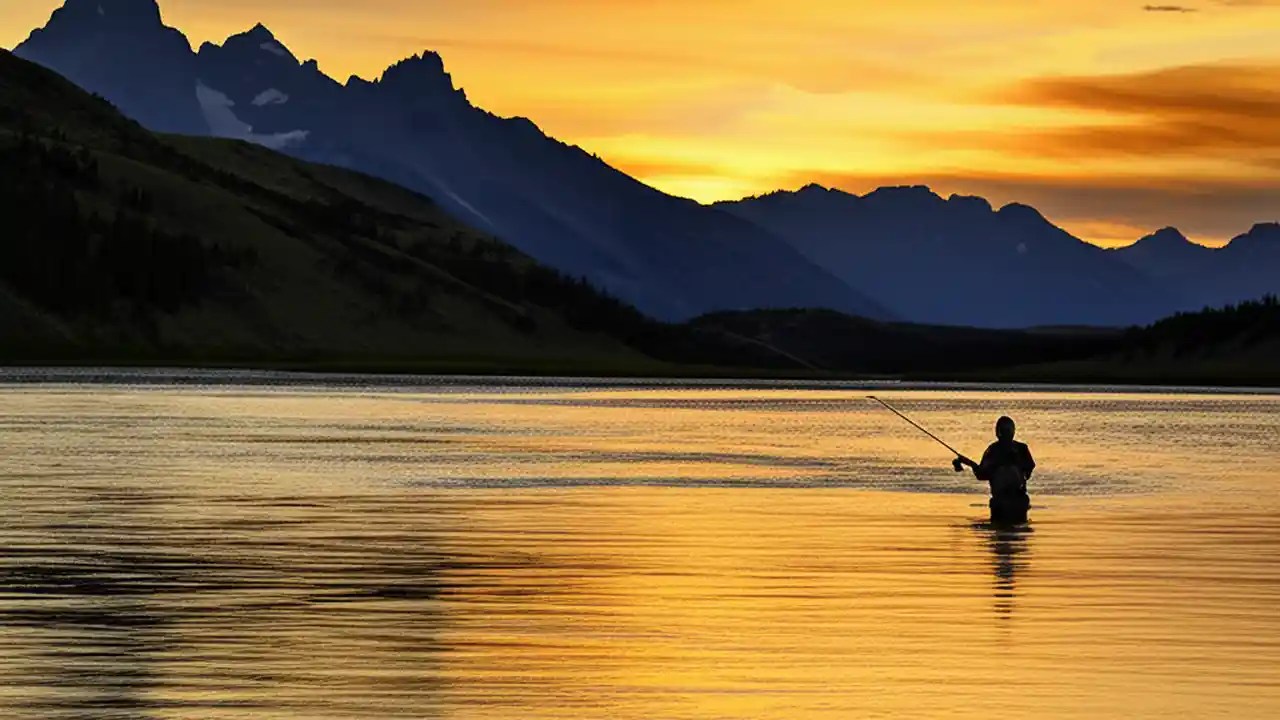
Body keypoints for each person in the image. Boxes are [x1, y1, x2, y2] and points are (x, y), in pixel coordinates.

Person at [954, 416, 1035, 521]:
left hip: (1002, 502)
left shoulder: (993, 450)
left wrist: (970, 463)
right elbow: (1028, 473)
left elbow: (981, 474)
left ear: (997, 432)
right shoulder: (1021, 448)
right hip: (1018, 502)